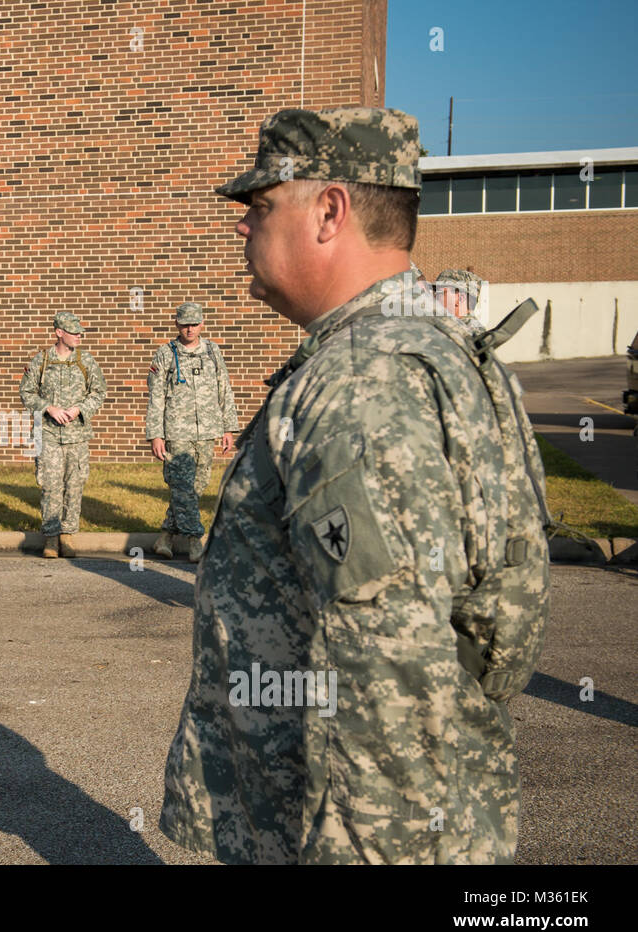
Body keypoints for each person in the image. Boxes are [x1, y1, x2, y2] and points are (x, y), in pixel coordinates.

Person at [160, 107, 549, 864]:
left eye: (262, 205)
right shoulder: (433, 348)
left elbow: (391, 670)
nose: (243, 227)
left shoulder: (362, 381)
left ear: (330, 210)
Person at [145, 302, 239, 562]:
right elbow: (156, 398)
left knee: (196, 487)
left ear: (202, 324)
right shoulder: (165, 354)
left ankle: (165, 536)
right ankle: (195, 540)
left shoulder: (212, 351)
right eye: (185, 324)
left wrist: (228, 428)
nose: (190, 329)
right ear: (177, 324)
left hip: (208, 429)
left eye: (194, 324)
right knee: (182, 487)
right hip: (177, 432)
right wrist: (156, 434)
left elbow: (224, 389)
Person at [19, 311, 106, 558]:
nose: (79, 335)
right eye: (73, 331)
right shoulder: (41, 361)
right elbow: (26, 393)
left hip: (77, 435)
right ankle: (51, 537)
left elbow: (99, 392)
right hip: (47, 435)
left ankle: (67, 536)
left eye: (80, 331)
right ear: (59, 332)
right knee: (50, 486)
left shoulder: (86, 361)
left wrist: (80, 409)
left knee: (74, 486)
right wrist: (48, 408)